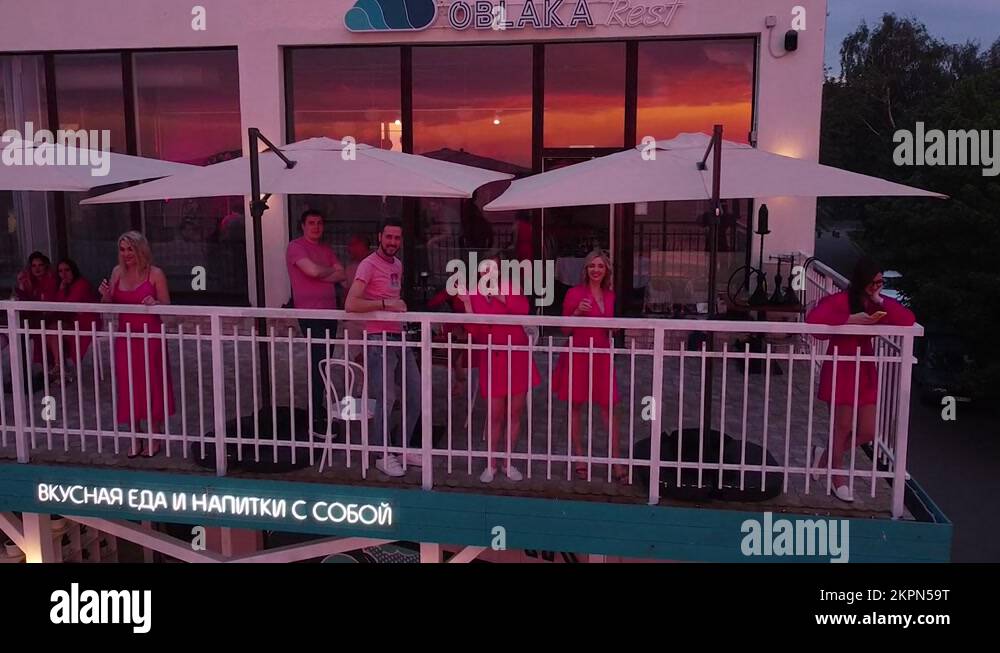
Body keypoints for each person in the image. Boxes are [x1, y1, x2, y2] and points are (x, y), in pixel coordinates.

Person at [805, 257, 916, 503]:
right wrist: (848, 321)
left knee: (868, 430)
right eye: (873, 282)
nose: (877, 286)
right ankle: (837, 477)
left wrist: (880, 300)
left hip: (864, 369)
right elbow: (813, 322)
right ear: (861, 280)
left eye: (880, 282)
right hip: (841, 367)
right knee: (842, 426)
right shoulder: (840, 300)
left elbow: (907, 320)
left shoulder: (876, 304)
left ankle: (824, 457)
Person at [345, 218, 421, 478]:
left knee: (415, 394)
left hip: (398, 336)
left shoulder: (397, 264)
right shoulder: (368, 265)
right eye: (388, 237)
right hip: (379, 340)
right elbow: (351, 304)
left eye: (397, 238)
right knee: (385, 398)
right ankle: (381, 453)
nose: (392, 242)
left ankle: (401, 448)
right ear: (379, 237)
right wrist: (386, 305)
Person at [458, 252, 540, 483]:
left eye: (493, 268)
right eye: (485, 268)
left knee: (514, 413)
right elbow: (474, 332)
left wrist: (500, 296)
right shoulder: (474, 293)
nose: (488, 272)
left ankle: (508, 461)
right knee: (494, 415)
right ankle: (491, 464)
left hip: (517, 357)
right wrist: (466, 304)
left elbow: (523, 310)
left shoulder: (511, 287)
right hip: (493, 359)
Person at [98, 231, 175, 458]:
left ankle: (155, 435)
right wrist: (105, 295)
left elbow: (170, 310)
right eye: (122, 249)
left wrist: (156, 303)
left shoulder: (155, 274)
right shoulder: (117, 272)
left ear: (140, 249)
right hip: (126, 337)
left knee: (151, 384)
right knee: (128, 385)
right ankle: (135, 435)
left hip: (150, 338)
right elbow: (109, 306)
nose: (126, 254)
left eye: (130, 249)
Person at [551, 250, 626, 482]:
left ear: (606, 270)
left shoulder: (610, 296)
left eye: (600, 266)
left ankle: (616, 461)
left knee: (609, 407)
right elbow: (565, 329)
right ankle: (580, 458)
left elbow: (608, 326)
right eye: (592, 266)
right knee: (576, 405)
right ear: (586, 269)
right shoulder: (574, 293)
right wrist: (576, 313)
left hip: (601, 354)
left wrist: (613, 327)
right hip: (578, 353)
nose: (596, 270)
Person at [286, 209, 345, 427]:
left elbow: (342, 274)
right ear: (303, 225)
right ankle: (315, 412)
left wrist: (322, 272)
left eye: (319, 223)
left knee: (324, 362)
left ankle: (319, 407)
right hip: (310, 313)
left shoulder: (326, 249)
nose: (316, 227)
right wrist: (327, 273)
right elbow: (312, 271)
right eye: (311, 223)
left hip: (330, 312)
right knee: (317, 361)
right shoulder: (296, 247)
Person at [45, 258, 100, 382]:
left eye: (67, 270)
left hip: (87, 323)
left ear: (73, 270)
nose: (64, 274)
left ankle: (59, 367)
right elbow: (57, 306)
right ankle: (60, 367)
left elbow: (68, 305)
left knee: (54, 330)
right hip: (73, 322)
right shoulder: (65, 286)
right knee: (51, 331)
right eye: (60, 271)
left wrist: (61, 291)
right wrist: (61, 290)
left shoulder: (82, 284)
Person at [13, 252, 59, 383]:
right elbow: (23, 302)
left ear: (46, 266)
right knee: (20, 333)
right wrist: (21, 285)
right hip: (35, 318)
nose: (37, 269)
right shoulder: (30, 281)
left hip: (52, 316)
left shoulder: (51, 280)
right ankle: (20, 372)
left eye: (40, 265)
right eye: (34, 266)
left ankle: (54, 368)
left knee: (40, 330)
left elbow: (48, 302)